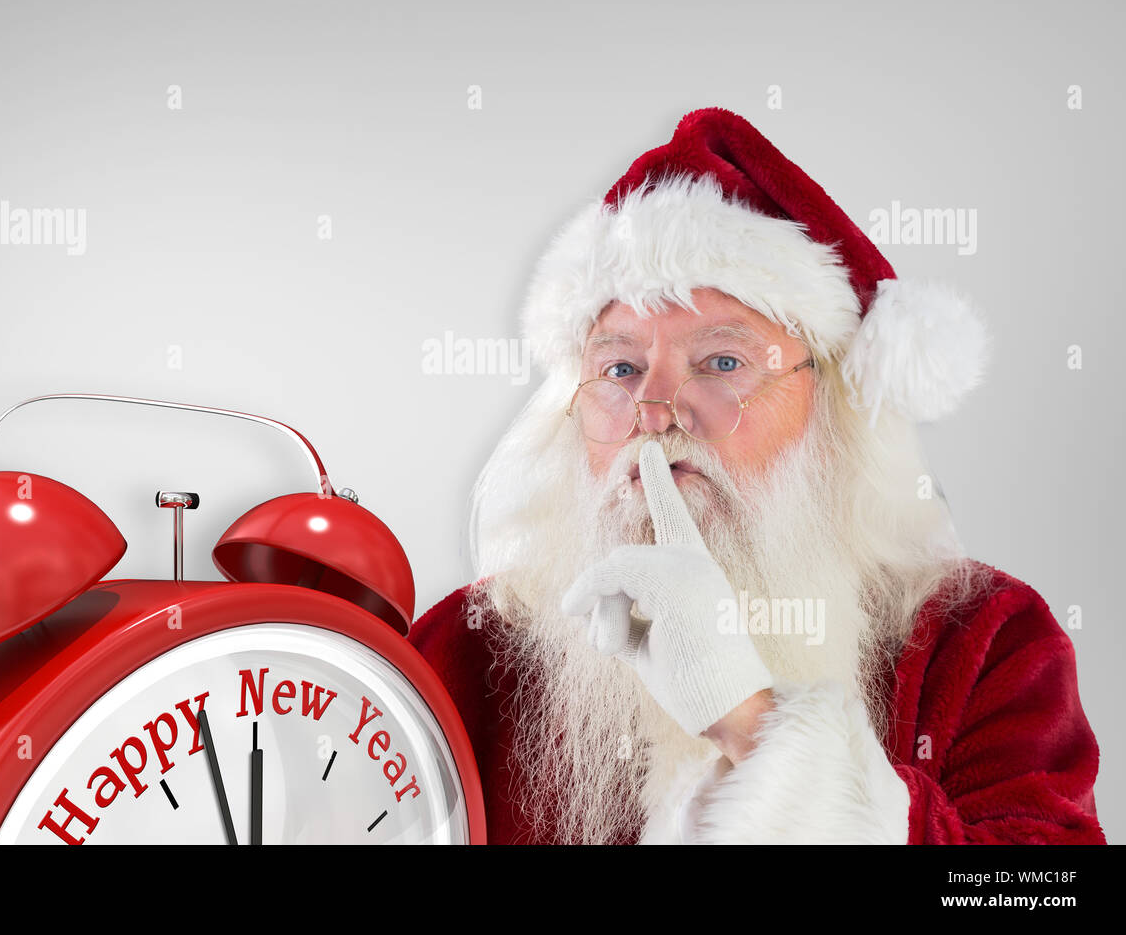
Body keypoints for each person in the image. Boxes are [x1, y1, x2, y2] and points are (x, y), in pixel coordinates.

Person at [409, 107, 1105, 845]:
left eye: (722, 363)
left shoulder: (986, 641)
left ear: (834, 412)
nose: (654, 410)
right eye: (619, 367)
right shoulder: (465, 649)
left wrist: (754, 718)